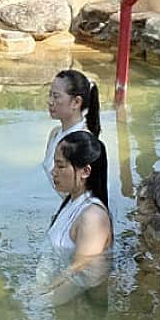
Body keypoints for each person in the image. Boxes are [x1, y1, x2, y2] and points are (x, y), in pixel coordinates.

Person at [44, 131, 112, 305]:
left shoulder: (93, 217)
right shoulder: (71, 202)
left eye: (60, 166)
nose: (53, 172)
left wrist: (39, 300)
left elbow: (82, 273)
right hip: (59, 297)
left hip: (76, 309)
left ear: (85, 171)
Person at [42, 71, 100, 192]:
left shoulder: (83, 142)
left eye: (56, 96)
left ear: (76, 102)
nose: (50, 101)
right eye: (50, 95)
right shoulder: (55, 133)